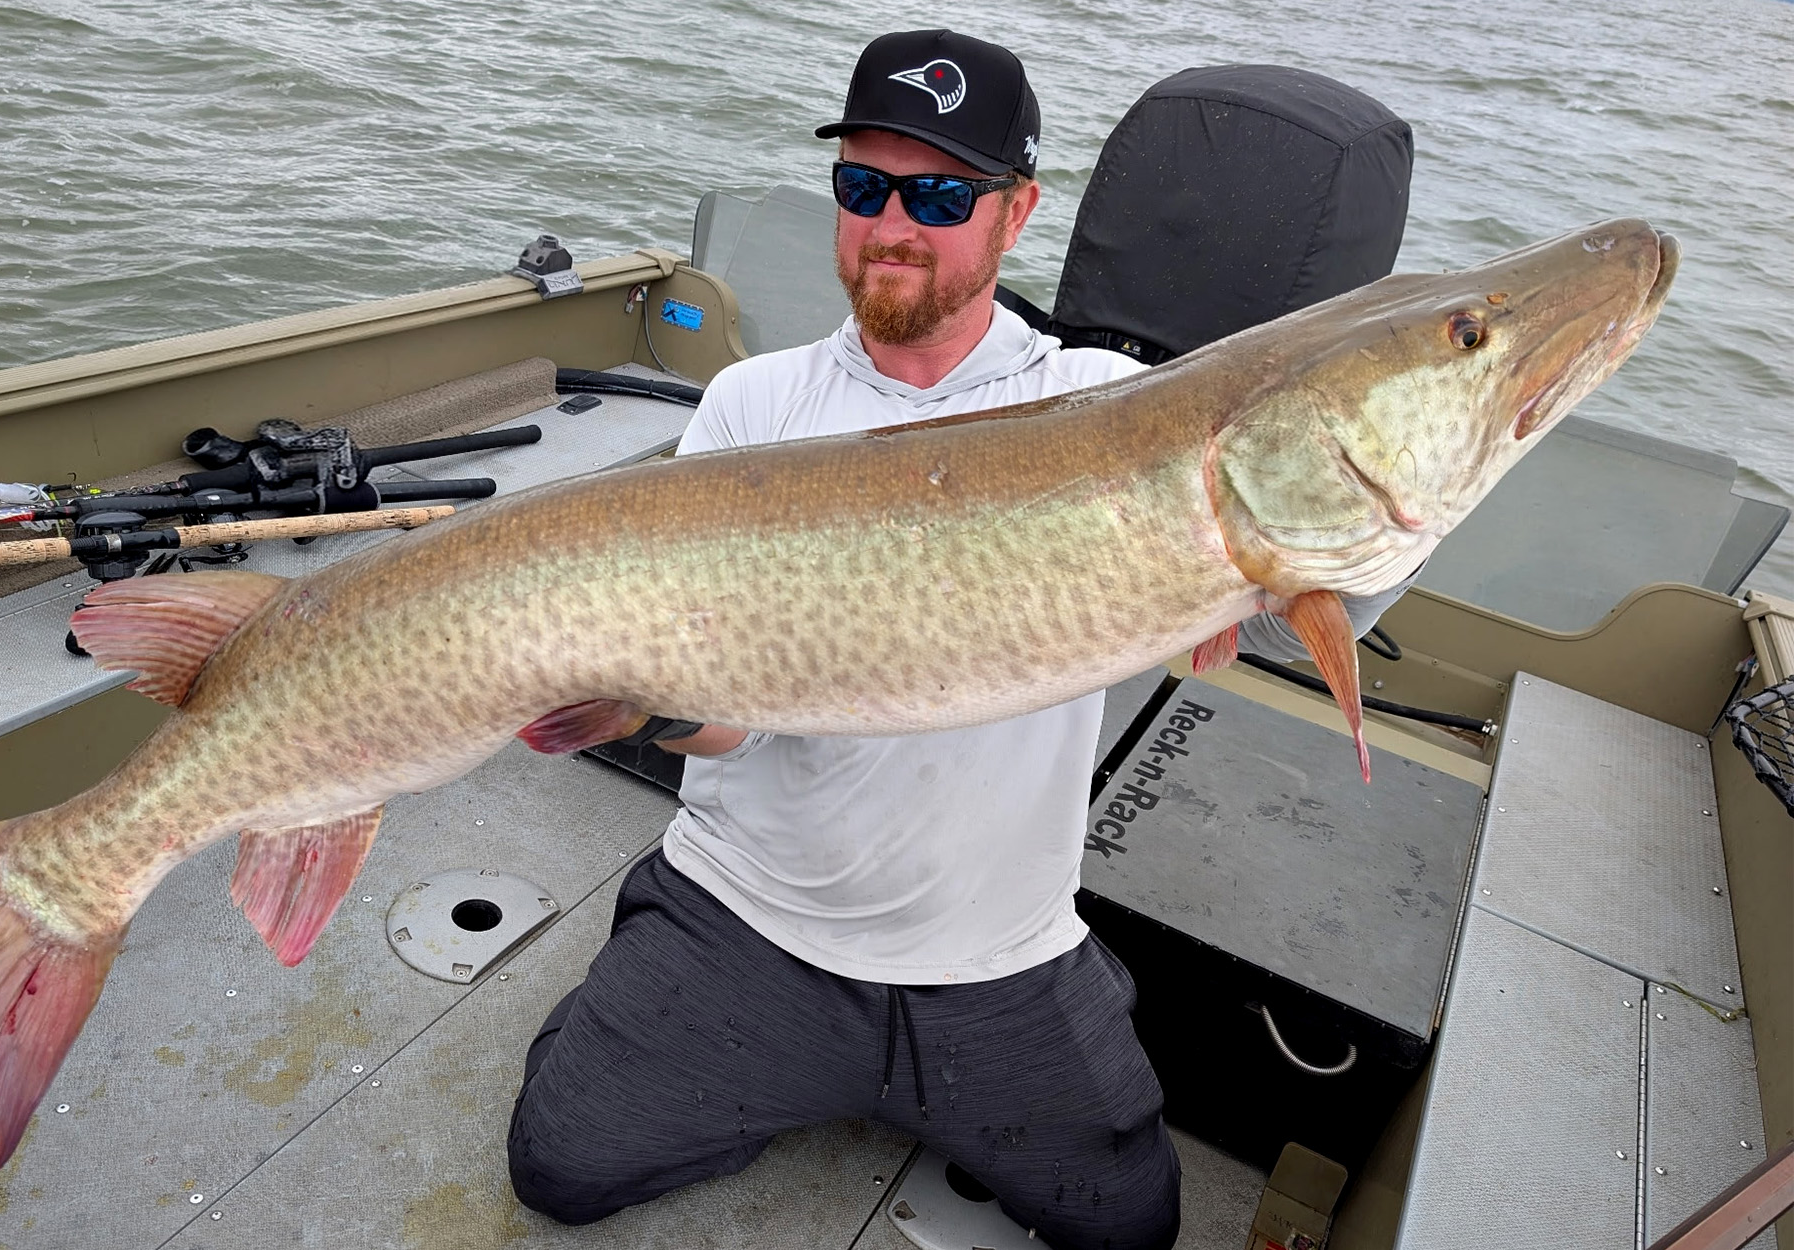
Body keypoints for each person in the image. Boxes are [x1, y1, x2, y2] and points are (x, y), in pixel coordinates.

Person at [506, 30, 1412, 1249]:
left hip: (997, 958)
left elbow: (1334, 575)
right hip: (752, 919)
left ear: (1015, 211)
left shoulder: (1105, 408)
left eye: (939, 194)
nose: (892, 224)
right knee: (558, 1160)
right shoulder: (753, 406)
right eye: (862, 185)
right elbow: (727, 720)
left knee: (1133, 1226)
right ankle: (680, 972)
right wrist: (639, 702)